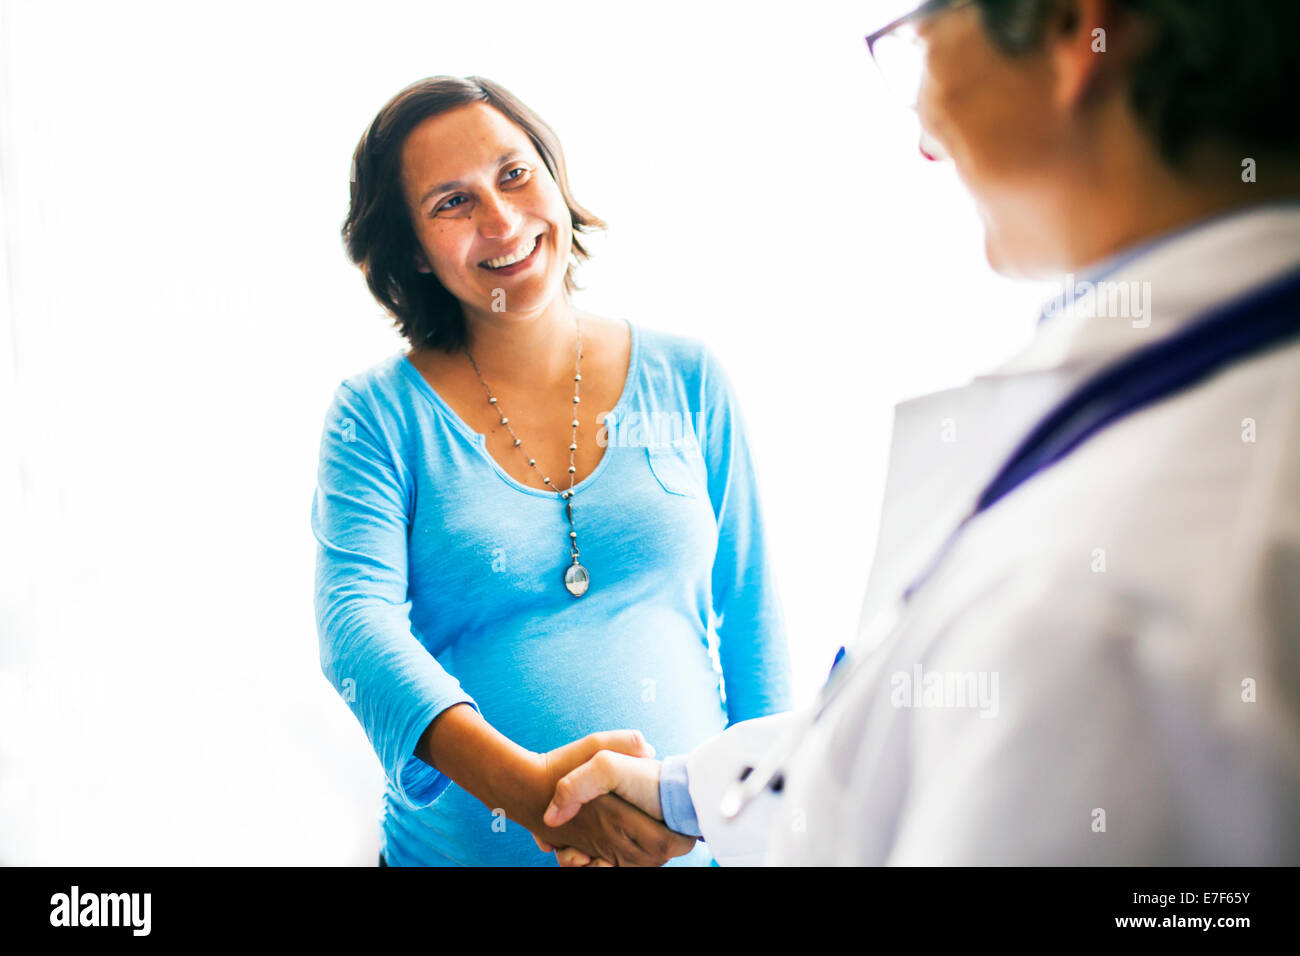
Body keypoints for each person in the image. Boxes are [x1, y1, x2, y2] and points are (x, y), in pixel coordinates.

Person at [538, 0, 1300, 865]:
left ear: (1069, 30)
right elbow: (919, 726)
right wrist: (692, 794)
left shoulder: (1102, 598)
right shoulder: (1183, 406)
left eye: (919, 42)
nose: (926, 140)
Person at [311, 75, 792, 866]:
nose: (501, 220)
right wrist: (533, 795)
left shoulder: (689, 377)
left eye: (513, 174)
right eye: (451, 204)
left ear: (554, 175)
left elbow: (752, 625)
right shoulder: (375, 415)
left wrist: (774, 838)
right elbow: (354, 631)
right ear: (415, 251)